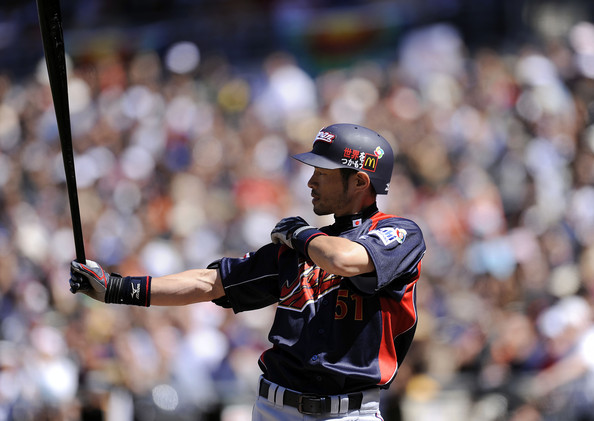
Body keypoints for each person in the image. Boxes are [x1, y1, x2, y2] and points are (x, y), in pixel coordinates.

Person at [70, 123, 426, 420]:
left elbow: (343, 260)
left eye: (322, 173)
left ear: (360, 181)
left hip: (349, 413)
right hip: (276, 409)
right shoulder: (300, 248)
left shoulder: (400, 233)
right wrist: (116, 288)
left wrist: (299, 234)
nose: (311, 182)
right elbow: (209, 282)